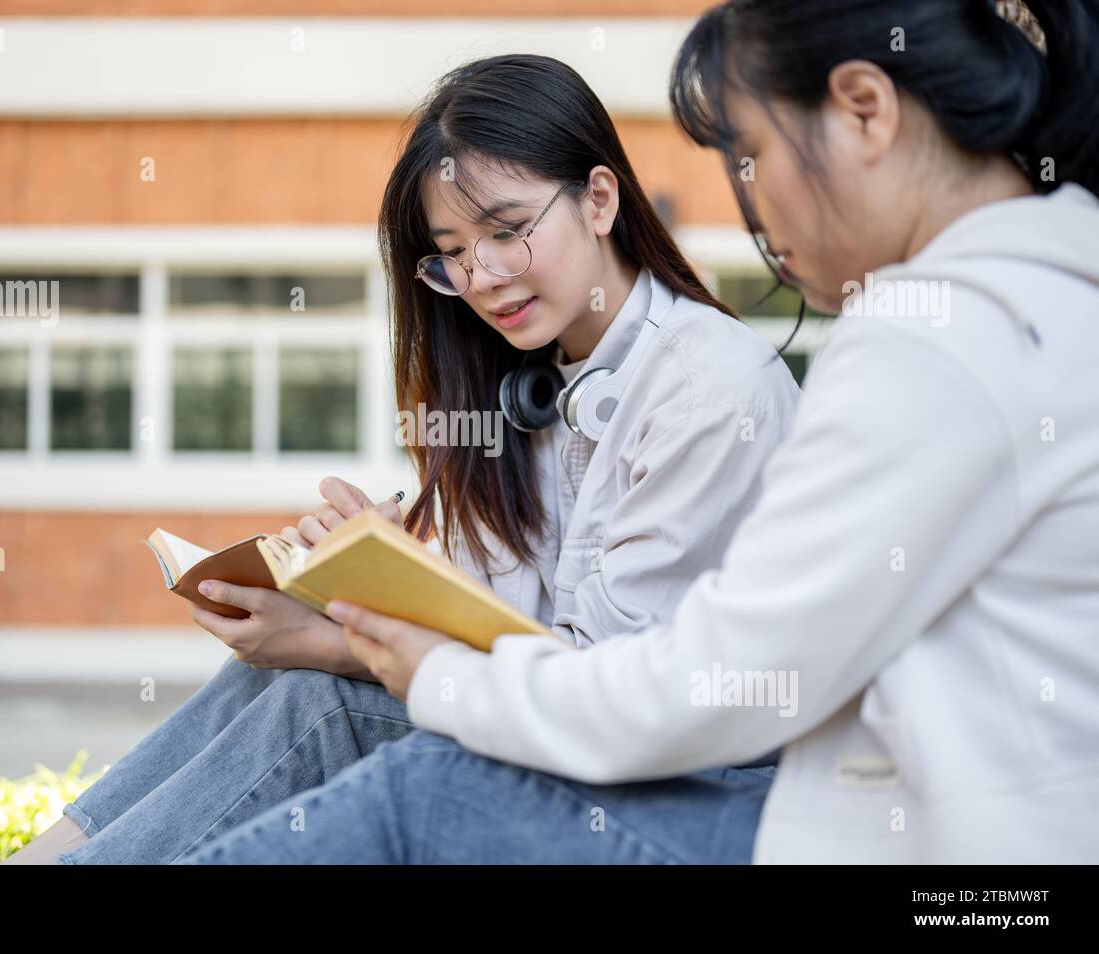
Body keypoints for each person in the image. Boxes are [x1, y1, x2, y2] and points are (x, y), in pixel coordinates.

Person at [184, 0, 1099, 865]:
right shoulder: (1037, 292)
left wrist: (407, 662)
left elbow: (708, 684)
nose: (756, 205)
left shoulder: (936, 342)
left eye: (748, 153)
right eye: (454, 254)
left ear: (864, 110)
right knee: (324, 711)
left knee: (417, 786)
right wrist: (390, 598)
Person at [4, 53, 799, 865]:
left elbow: (608, 694)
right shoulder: (523, 385)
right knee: (287, 682)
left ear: (599, 199)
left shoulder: (707, 390)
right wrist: (366, 581)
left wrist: (344, 643)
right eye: (452, 251)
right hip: (565, 737)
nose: (480, 277)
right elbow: (496, 630)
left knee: (323, 703)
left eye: (507, 231)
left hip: (695, 789)